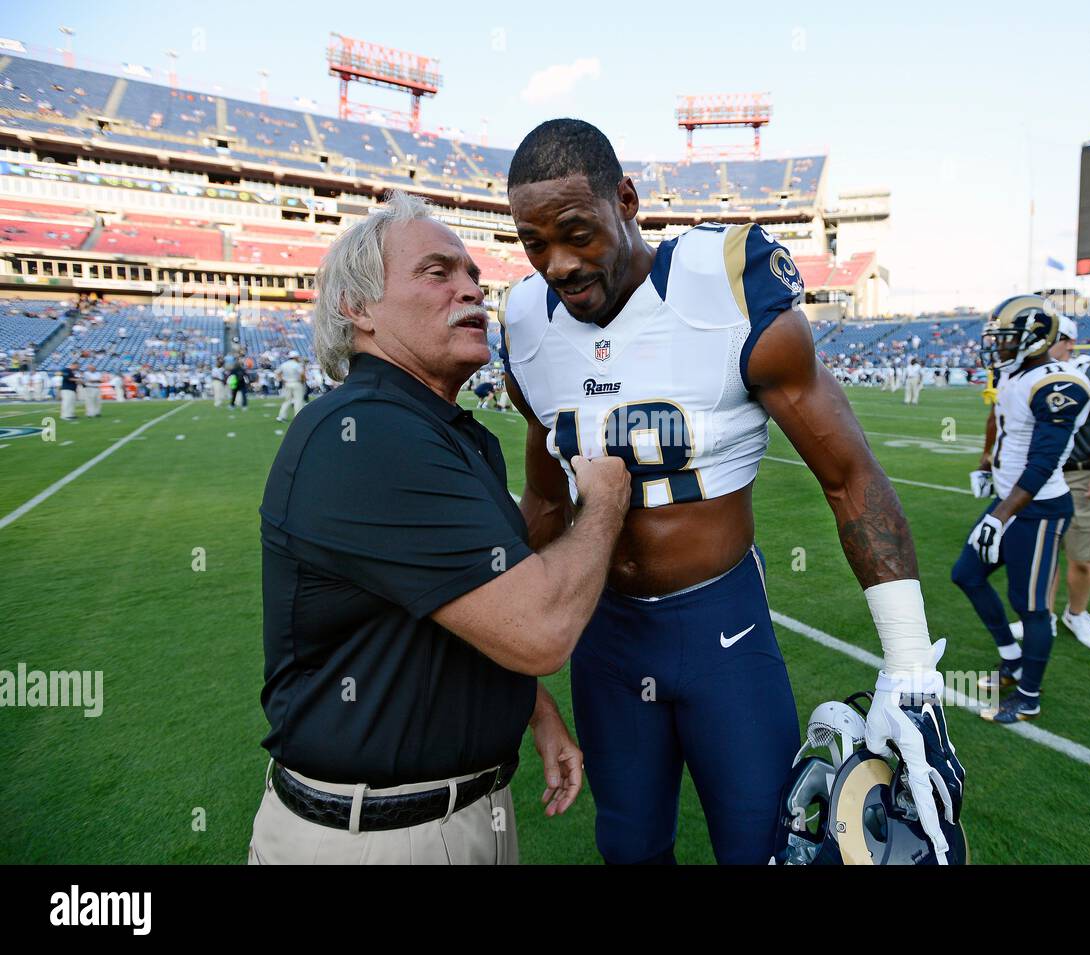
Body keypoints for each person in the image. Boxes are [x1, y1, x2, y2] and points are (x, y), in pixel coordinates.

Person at [502, 119, 964, 865]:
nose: (556, 263)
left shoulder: (724, 284)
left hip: (723, 629)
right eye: (534, 242)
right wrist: (477, 611)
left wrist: (910, 666)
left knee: (761, 846)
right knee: (628, 844)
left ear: (626, 200)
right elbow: (546, 502)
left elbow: (848, 477)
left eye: (576, 232)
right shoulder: (525, 324)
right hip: (606, 634)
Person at [249, 190, 631, 865]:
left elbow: (464, 603)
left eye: (475, 277)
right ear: (357, 308)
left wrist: (535, 710)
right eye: (438, 272)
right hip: (380, 837)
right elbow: (540, 626)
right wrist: (603, 500)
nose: (471, 289)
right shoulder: (370, 435)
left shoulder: (441, 431)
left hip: (456, 810)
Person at [952, 295, 1090, 723]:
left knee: (1030, 605)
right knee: (967, 574)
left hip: (1039, 508)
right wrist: (984, 465)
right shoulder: (1014, 373)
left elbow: (1045, 462)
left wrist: (1001, 514)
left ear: (1034, 338)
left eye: (1007, 338)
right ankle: (1012, 660)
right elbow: (999, 424)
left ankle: (1029, 695)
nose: (999, 346)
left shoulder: (1058, 383)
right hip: (1010, 500)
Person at [1006, 318, 1090, 649]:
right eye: (1064, 339)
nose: (1071, 345)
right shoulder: (1026, 375)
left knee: (1082, 557)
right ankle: (1042, 617)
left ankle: (1077, 613)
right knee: (1041, 555)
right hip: (1042, 475)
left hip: (1081, 473)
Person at [275, 350, 306, 422]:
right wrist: (302, 381)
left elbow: (277, 373)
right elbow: (302, 374)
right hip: (296, 383)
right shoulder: (297, 364)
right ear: (295, 357)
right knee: (298, 400)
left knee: (287, 400)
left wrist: (283, 380)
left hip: (287, 383)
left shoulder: (284, 364)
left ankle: (281, 416)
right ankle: (298, 417)